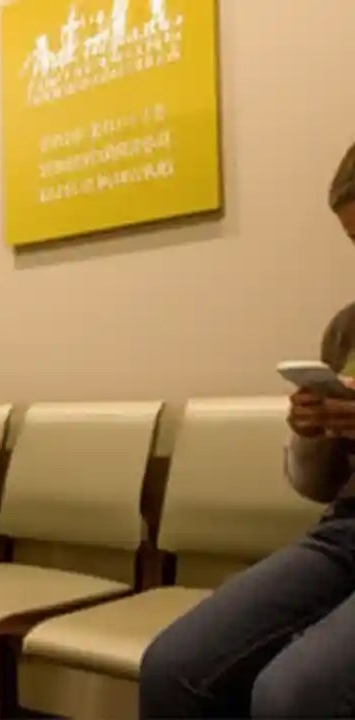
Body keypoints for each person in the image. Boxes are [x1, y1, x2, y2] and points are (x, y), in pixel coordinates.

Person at [137, 141, 355, 718]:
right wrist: (312, 432)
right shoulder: (347, 330)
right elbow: (318, 487)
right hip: (346, 534)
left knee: (291, 696)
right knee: (173, 667)